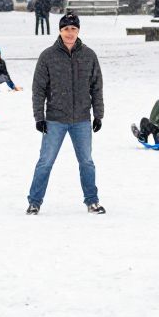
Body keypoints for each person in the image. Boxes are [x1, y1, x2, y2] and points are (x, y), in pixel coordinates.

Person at [27, 12, 105, 215]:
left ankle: (92, 201)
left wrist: (98, 114)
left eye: (73, 29)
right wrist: (39, 118)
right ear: (60, 31)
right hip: (55, 119)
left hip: (81, 120)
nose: (69, 33)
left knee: (86, 162)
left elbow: (96, 87)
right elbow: (38, 89)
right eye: (66, 29)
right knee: (45, 162)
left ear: (78, 31)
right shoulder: (48, 56)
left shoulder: (89, 56)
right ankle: (34, 201)